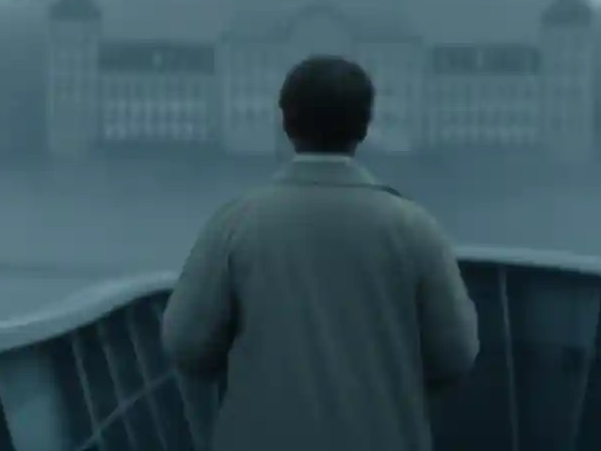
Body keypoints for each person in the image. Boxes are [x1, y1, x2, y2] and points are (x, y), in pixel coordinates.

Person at [161, 55, 480, 451]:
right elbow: (455, 354)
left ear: (286, 123)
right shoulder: (416, 228)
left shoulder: (235, 223)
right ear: (364, 126)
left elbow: (186, 344)